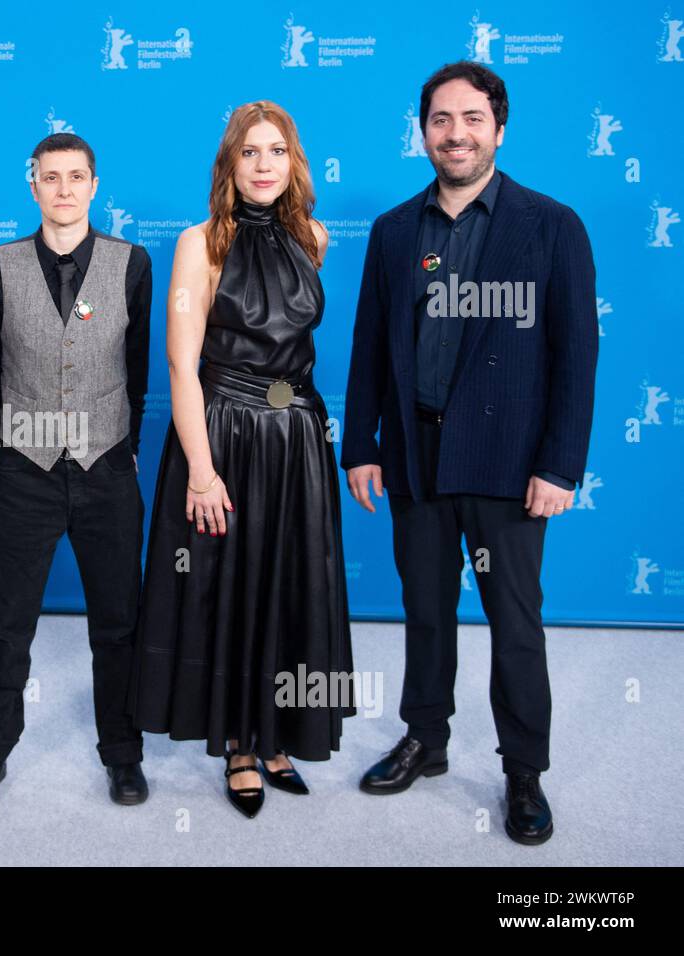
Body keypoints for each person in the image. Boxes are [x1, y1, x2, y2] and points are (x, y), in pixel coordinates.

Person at [341, 62, 597, 846]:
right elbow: (369, 347)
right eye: (441, 120)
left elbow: (576, 354)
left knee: (515, 622)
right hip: (417, 454)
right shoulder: (391, 231)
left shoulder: (552, 225)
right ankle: (428, 738)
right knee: (424, 608)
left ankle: (523, 771)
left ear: (499, 129)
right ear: (423, 130)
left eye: (472, 119)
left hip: (511, 466)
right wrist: (361, 444)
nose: (456, 133)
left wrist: (559, 466)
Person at [130, 102, 354, 819]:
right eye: (250, 152)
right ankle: (237, 741)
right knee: (224, 585)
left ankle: (279, 732)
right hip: (223, 431)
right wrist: (200, 467)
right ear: (229, 164)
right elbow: (180, 360)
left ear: (294, 163)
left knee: (290, 584)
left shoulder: (314, 238)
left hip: (296, 440)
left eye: (277, 151)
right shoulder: (201, 243)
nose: (264, 164)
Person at [0, 132, 152, 811]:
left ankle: (123, 755)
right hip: (24, 471)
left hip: (106, 470)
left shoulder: (132, 264)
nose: (64, 188)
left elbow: (137, 368)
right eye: (51, 177)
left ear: (94, 186)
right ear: (33, 186)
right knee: (6, 622)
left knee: (119, 623)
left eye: (76, 176)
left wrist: (121, 443)